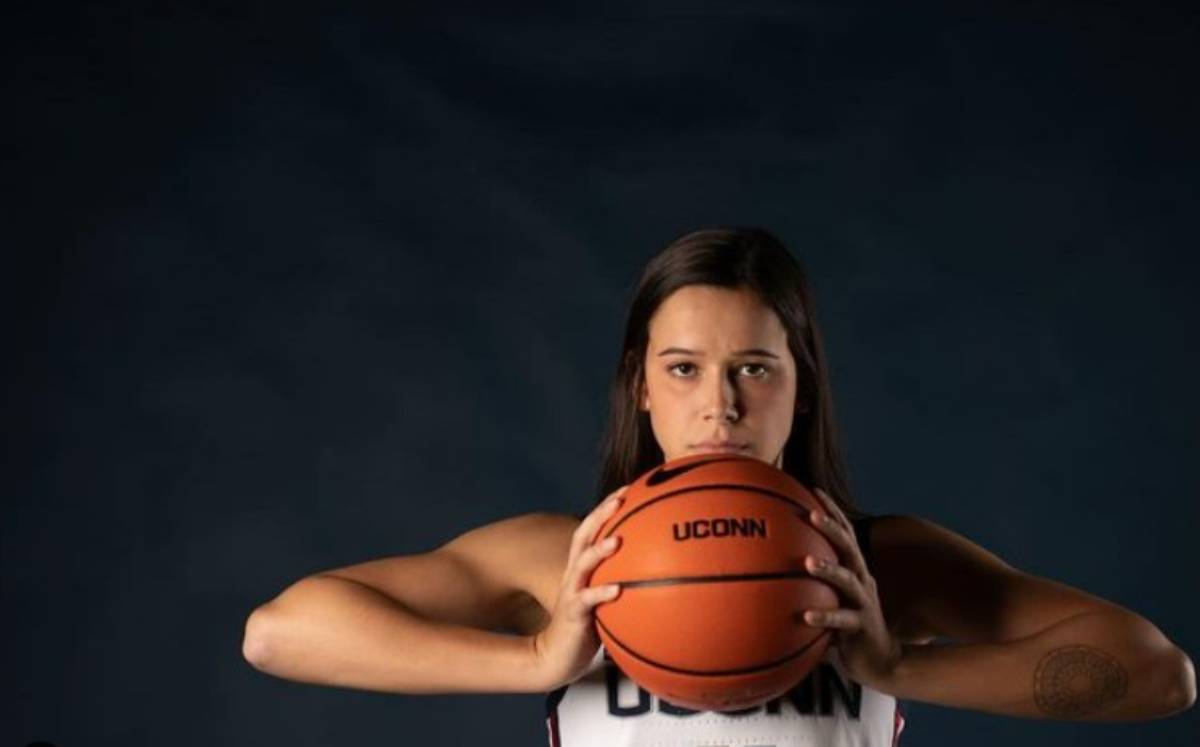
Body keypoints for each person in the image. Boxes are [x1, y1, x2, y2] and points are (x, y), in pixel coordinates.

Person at [241, 227, 1195, 745]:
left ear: (802, 383)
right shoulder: (568, 560)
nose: (721, 407)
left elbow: (1159, 675)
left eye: (755, 368)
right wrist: (536, 656)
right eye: (686, 368)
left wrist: (899, 670)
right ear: (642, 386)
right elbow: (280, 632)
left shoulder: (875, 566)